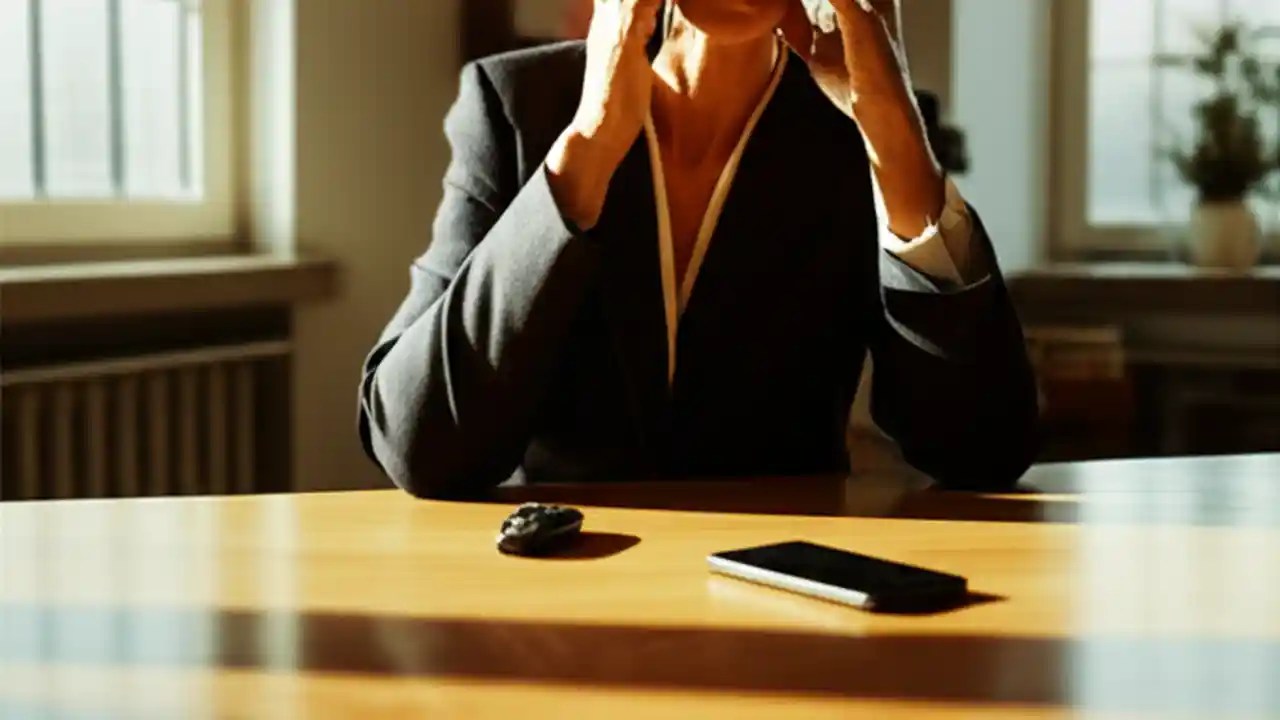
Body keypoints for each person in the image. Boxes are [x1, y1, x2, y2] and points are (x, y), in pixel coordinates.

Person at [358, 0, 1039, 499]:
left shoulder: (863, 125)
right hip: (560, 606)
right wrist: (588, 147)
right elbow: (418, 446)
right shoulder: (518, 105)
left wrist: (894, 145)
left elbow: (982, 451)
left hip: (786, 606)